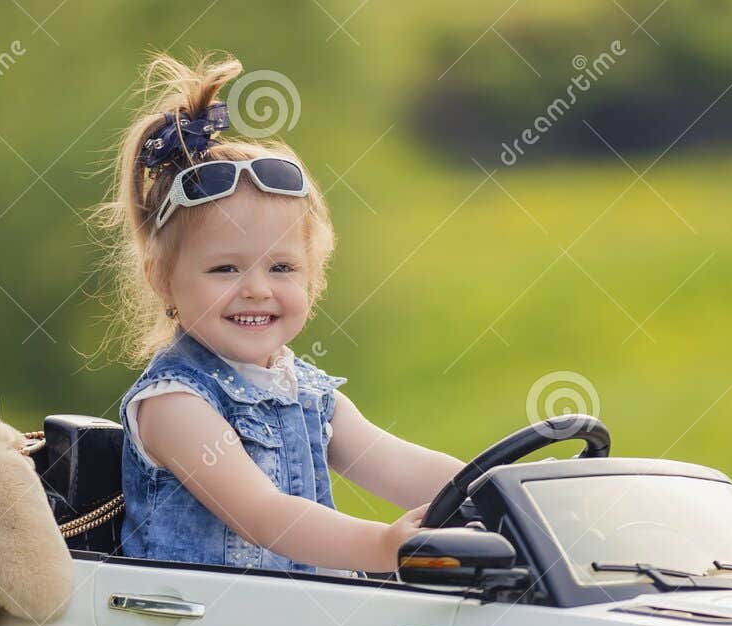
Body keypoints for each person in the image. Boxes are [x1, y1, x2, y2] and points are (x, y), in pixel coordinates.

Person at [102, 53, 462, 573]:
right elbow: (263, 515)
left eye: (282, 267)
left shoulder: (310, 395)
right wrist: (385, 546)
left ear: (312, 275)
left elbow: (398, 464)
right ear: (162, 279)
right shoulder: (175, 405)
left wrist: (495, 490)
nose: (257, 290)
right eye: (225, 269)